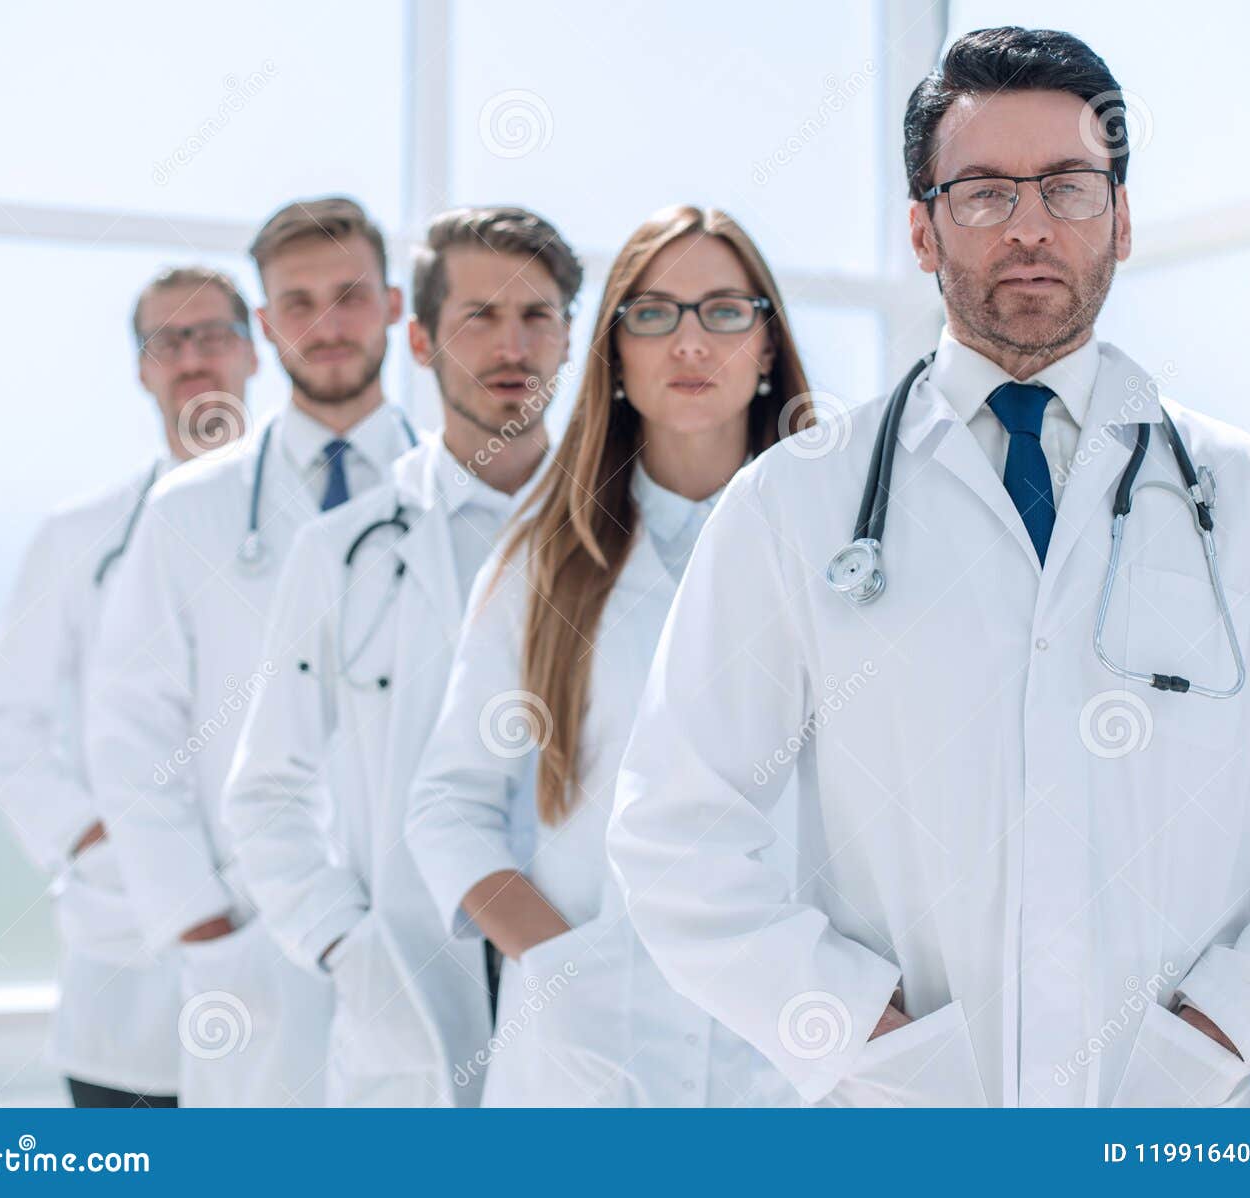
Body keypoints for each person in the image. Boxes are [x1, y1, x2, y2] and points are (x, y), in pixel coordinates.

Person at [606, 27, 1250, 1108]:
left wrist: (1224, 1033)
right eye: (983, 195)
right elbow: (676, 824)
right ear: (921, 230)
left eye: (1067, 187)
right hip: (905, 1122)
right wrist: (863, 1037)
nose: (1031, 228)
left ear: (1123, 218)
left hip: (1178, 1123)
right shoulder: (792, 503)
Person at [404, 205, 814, 1107]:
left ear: (767, 346)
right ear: (615, 355)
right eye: (654, 313)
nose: (690, 342)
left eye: (724, 310)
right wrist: (562, 965)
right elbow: (448, 807)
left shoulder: (842, 554)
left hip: (792, 1049)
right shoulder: (542, 560)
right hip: (584, 1053)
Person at [222, 206, 581, 1106]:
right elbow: (266, 790)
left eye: (537, 315)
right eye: (478, 317)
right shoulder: (344, 551)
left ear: (571, 339)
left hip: (585, 966)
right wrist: (349, 945)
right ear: (419, 341)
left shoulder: (623, 536)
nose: (513, 346)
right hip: (417, 989)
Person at [84, 197, 417, 1107]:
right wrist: (201, 925)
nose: (327, 324)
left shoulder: (457, 495)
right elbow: (129, 733)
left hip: (425, 928)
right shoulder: (188, 510)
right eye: (297, 303)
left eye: (349, 295)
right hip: (254, 939)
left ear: (393, 306)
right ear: (265, 327)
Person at [0, 266, 257, 1107]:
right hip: (125, 953)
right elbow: (5, 720)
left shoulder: (319, 528)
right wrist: (100, 841)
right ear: (142, 369)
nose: (192, 356)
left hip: (281, 935)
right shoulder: (78, 535)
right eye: (168, 340)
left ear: (254, 352)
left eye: (212, 334)